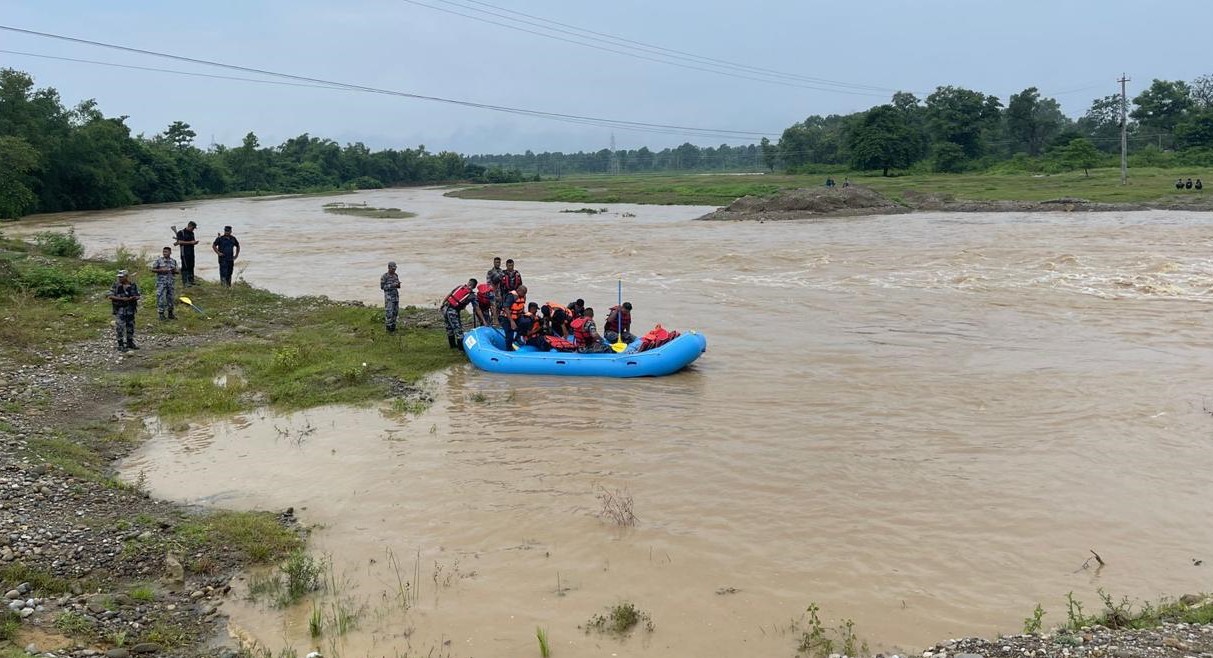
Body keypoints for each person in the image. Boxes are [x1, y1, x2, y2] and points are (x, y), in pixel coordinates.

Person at [441, 278, 483, 349]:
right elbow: (477, 309)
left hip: (445, 307)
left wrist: (442, 304)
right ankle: (461, 348)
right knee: (458, 330)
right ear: (474, 287)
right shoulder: (472, 296)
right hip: (453, 311)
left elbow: (450, 294)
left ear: (468, 283)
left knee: (449, 328)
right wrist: (483, 320)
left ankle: (452, 345)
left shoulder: (460, 287)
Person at [107, 270, 141, 352]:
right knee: (120, 327)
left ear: (126, 276)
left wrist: (134, 297)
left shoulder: (132, 285)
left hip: (130, 308)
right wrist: (122, 299)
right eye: (119, 277)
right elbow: (110, 295)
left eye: (121, 277)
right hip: (120, 309)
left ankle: (130, 342)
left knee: (130, 326)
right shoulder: (116, 285)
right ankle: (120, 344)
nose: (120, 278)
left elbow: (138, 295)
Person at [150, 246, 179, 321]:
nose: (164, 253)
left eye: (166, 252)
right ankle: (161, 314)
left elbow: (177, 272)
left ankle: (170, 313)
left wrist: (173, 270)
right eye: (163, 252)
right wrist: (162, 270)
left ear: (170, 252)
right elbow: (152, 269)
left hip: (170, 282)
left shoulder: (173, 261)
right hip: (161, 283)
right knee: (161, 298)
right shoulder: (159, 261)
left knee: (171, 298)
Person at [498, 284, 527, 350]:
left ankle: (517, 337)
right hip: (506, 318)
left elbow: (521, 305)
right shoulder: (511, 296)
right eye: (523, 293)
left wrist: (524, 313)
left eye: (525, 293)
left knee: (526, 322)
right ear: (518, 290)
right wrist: (511, 321)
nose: (524, 295)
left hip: (517, 316)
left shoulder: (523, 296)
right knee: (509, 335)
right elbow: (506, 308)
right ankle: (509, 349)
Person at [173, 221, 199, 286]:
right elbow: (179, 242)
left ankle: (191, 280)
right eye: (193, 228)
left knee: (191, 265)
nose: (193, 229)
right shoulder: (181, 232)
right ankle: (185, 282)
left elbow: (192, 241)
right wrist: (191, 242)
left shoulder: (192, 233)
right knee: (185, 266)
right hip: (184, 252)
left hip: (191, 251)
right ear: (189, 226)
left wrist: (194, 242)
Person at [380, 261, 401, 332]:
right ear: (389, 268)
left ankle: (393, 328)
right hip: (389, 298)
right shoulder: (384, 276)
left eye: (395, 269)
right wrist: (392, 285)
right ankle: (388, 330)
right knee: (389, 313)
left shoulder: (396, 275)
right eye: (392, 269)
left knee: (395, 312)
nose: (394, 270)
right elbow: (382, 287)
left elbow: (398, 286)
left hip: (395, 297)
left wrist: (398, 284)